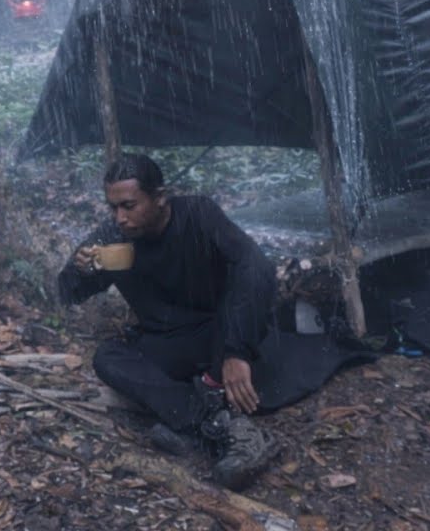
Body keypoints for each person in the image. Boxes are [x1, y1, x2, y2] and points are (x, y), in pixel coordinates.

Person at [59, 153, 277, 489]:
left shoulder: (198, 214)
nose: (120, 217)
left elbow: (254, 266)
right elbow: (67, 291)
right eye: (113, 208)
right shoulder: (113, 235)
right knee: (108, 358)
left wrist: (237, 350)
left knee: (237, 310)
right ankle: (216, 425)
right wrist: (81, 271)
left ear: (159, 198)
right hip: (168, 343)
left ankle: (204, 422)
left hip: (216, 332)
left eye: (129, 206)